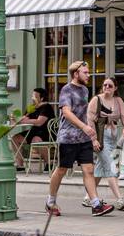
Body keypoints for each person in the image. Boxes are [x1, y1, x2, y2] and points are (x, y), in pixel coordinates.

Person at [46, 61, 113, 217]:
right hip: (68, 138)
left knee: (89, 170)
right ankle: (50, 201)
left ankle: (96, 205)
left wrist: (93, 133)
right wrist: (84, 127)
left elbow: (86, 114)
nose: (88, 75)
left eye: (88, 72)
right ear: (76, 74)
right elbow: (67, 113)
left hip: (83, 139)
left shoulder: (84, 90)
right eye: (85, 72)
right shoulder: (66, 90)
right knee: (62, 169)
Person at [84, 78, 124, 210]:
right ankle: (120, 199)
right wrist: (94, 140)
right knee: (111, 166)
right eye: (105, 85)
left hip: (112, 138)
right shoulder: (96, 100)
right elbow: (89, 121)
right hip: (100, 138)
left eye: (110, 85)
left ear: (115, 88)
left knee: (100, 168)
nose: (107, 87)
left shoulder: (118, 100)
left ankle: (88, 197)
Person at [12, 87, 56, 168]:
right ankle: (20, 165)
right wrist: (16, 119)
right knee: (15, 138)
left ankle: (49, 163)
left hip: (47, 133)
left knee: (35, 140)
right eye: (32, 95)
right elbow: (24, 119)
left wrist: (25, 121)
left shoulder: (46, 107)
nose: (32, 98)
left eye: (35, 96)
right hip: (34, 132)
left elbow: (39, 122)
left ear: (42, 98)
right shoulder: (32, 107)